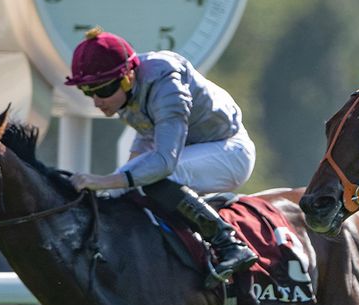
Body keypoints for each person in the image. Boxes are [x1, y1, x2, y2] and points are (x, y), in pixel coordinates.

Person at [63, 27, 258, 280]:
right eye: (88, 92)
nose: (96, 101)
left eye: (101, 90)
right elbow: (146, 139)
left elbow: (164, 162)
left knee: (152, 176)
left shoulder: (166, 82)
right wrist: (113, 183)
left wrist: (102, 180)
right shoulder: (130, 90)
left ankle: (230, 244)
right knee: (121, 185)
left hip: (230, 151)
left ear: (127, 77)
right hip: (192, 151)